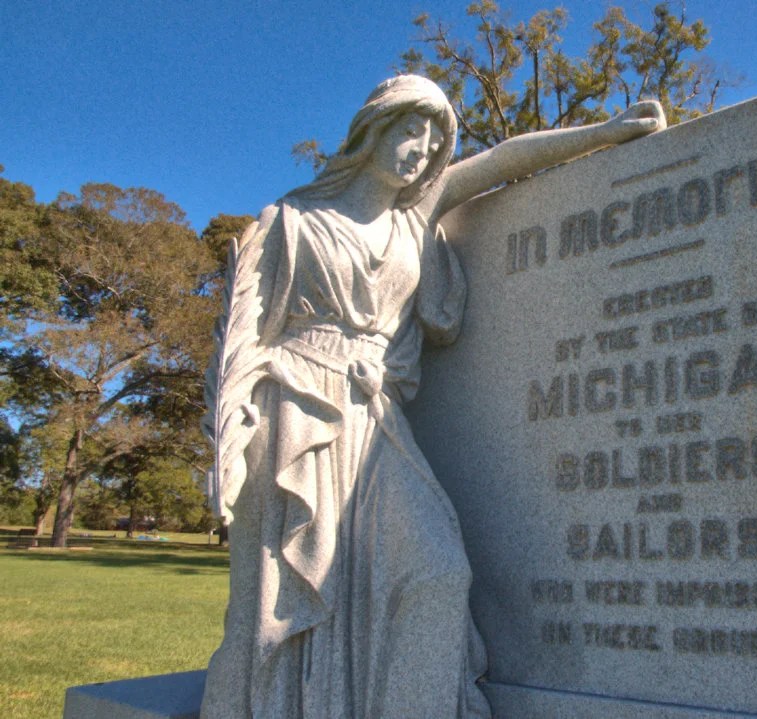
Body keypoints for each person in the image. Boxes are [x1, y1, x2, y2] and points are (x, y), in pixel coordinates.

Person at [201, 74, 664, 719]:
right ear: (373, 129)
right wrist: (228, 441)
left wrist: (607, 134)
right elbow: (245, 332)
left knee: (436, 569)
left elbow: (504, 160)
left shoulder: (414, 218)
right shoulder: (293, 222)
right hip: (295, 414)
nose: (420, 149)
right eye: (408, 129)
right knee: (295, 593)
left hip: (375, 413)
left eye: (434, 138)